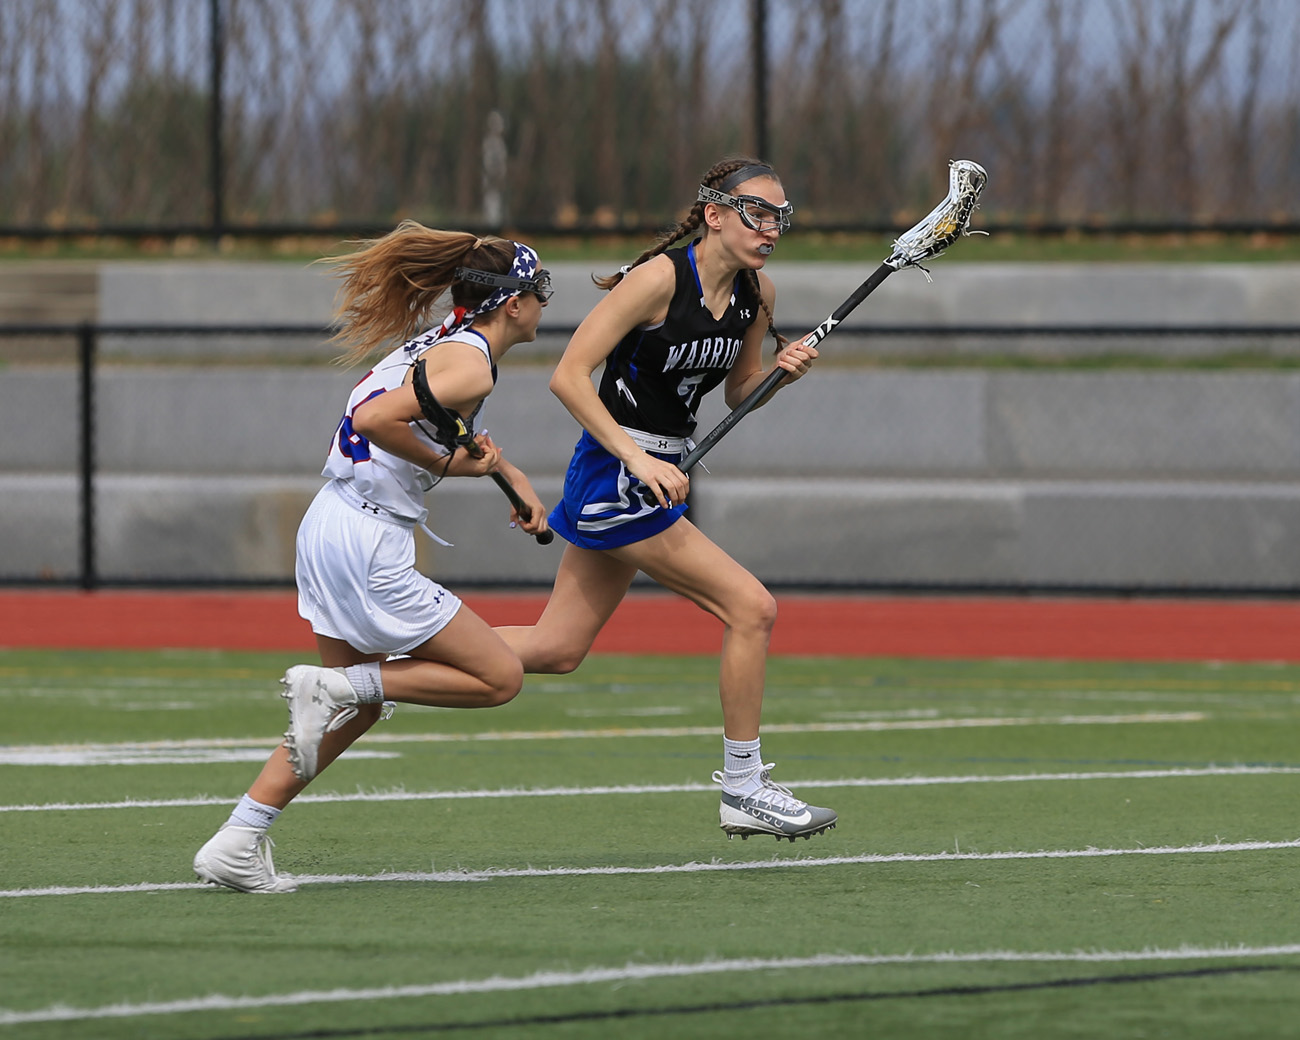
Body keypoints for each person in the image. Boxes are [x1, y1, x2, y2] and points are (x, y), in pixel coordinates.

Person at [193, 222, 553, 893]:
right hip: (367, 540)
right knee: (499, 676)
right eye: (540, 290)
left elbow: (421, 422)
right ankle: (328, 685)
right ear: (513, 303)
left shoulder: (449, 346)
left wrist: (512, 479)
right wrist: (451, 464)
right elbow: (375, 422)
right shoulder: (472, 362)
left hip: (332, 522)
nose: (543, 304)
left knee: (352, 708)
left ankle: (238, 839)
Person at [496, 157, 837, 841]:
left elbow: (740, 393)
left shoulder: (757, 293)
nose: (771, 228)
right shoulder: (657, 280)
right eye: (757, 213)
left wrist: (780, 375)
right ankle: (743, 787)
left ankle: (375, 672)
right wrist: (636, 457)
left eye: (780, 216)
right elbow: (568, 377)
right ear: (714, 214)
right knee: (751, 608)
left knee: (557, 647)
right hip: (615, 470)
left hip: (658, 469)